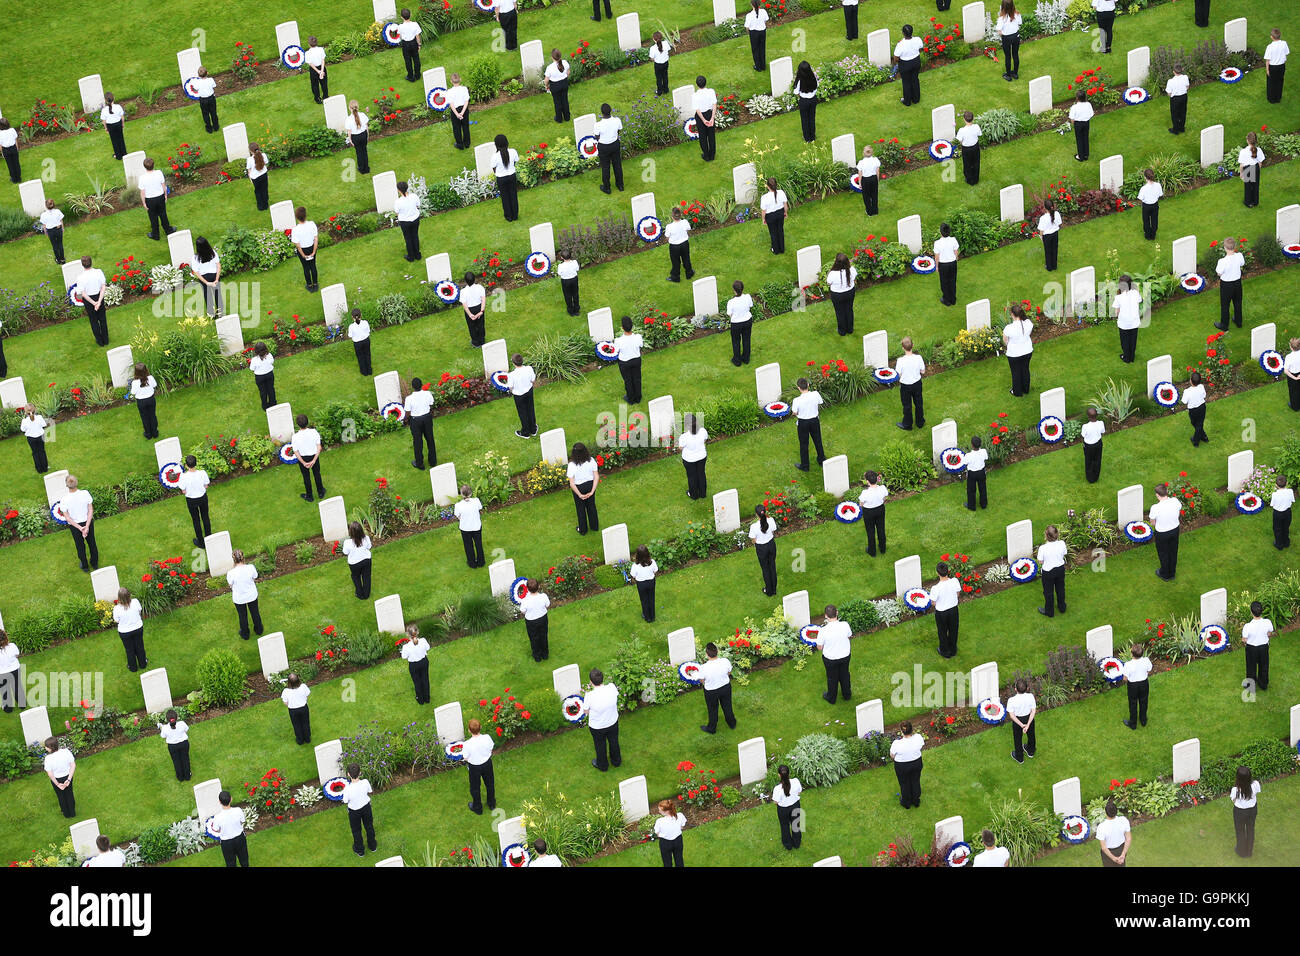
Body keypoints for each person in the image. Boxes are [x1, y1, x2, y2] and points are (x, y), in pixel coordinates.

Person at [56, 474, 98, 572]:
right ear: (77, 483)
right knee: (92, 543)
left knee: (80, 546)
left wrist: (80, 528)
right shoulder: (85, 493)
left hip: (75, 526)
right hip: (88, 522)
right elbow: (90, 510)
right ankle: (94, 563)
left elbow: (67, 517)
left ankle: (85, 566)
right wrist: (86, 526)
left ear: (66, 485)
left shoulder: (64, 500)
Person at [583, 668, 621, 771]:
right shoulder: (612, 687)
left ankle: (603, 765)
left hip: (597, 727)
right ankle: (616, 761)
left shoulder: (589, 696)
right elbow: (616, 697)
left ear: (591, 682)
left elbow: (586, 711)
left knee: (600, 745)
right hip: (612, 722)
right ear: (602, 679)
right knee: (614, 741)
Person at [815, 604, 852, 702]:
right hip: (845, 656)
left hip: (830, 659)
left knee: (832, 678)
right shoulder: (845, 625)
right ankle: (847, 695)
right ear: (837, 613)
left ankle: (831, 698)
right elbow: (849, 636)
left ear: (826, 616)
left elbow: (819, 647)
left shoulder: (823, 631)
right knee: (844, 675)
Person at [698, 642, 736, 734]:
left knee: (712, 709)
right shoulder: (725, 661)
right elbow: (729, 672)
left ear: (707, 654)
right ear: (717, 651)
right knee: (727, 706)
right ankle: (732, 723)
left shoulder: (703, 667)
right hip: (725, 688)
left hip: (711, 691)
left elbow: (702, 680)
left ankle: (712, 728)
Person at [176, 455, 213, 548]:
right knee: (205, 517)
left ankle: (201, 542)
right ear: (196, 463)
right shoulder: (202, 473)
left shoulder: (183, 477)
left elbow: (183, 490)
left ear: (186, 465)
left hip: (191, 500)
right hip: (202, 498)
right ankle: (209, 538)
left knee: (196, 520)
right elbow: (206, 485)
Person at [342, 762, 378, 856]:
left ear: (348, 774)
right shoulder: (365, 782)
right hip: (366, 807)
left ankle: (360, 850)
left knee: (356, 830)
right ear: (360, 773)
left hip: (354, 812)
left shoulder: (347, 789)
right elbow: (370, 791)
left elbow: (345, 801)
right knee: (369, 826)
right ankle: (372, 845)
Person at [792, 378, 826, 472]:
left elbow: (794, 412)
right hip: (814, 420)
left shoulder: (796, 400)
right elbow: (820, 402)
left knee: (804, 444)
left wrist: (797, 413)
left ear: (799, 388)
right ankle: (822, 460)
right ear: (808, 384)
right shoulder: (815, 394)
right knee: (818, 441)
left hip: (803, 423)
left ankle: (805, 466)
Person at [1149, 482, 1182, 582]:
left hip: (1162, 533)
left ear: (1157, 495)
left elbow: (1152, 522)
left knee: (1163, 553)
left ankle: (1165, 574)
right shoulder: (1175, 501)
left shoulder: (1155, 507)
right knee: (1173, 551)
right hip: (1175, 530)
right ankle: (1172, 572)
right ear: (1167, 492)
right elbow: (1178, 511)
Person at [227, 549, 262, 639]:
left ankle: (245, 634)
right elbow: (255, 577)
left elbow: (230, 585)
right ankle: (259, 630)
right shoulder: (251, 567)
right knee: (255, 613)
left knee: (242, 616)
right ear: (243, 558)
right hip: (252, 595)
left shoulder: (231, 573)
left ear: (234, 560)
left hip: (239, 598)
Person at [463, 717, 496, 814]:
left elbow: (465, 757)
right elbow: (491, 749)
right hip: (487, 764)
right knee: (490, 784)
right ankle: (491, 804)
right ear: (480, 727)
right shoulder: (487, 737)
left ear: (469, 730)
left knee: (475, 787)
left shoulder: (467, 744)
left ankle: (477, 808)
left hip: (474, 767)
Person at [111, 586, 147, 672]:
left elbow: (117, 620)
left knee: (129, 650)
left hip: (125, 632)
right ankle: (143, 664)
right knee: (140, 646)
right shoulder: (135, 602)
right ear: (129, 595)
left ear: (119, 598)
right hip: (138, 628)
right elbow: (139, 611)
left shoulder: (116, 609)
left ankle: (133, 667)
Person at [138, 158, 176, 241]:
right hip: (160, 197)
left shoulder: (142, 178)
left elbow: (142, 193)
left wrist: (144, 203)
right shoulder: (159, 173)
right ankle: (168, 231)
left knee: (153, 217)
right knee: (163, 214)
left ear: (144, 167)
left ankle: (155, 235)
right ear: (153, 165)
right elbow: (163, 186)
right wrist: (165, 195)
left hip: (150, 200)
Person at [292, 413, 326, 501]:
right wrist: (314, 460)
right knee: (317, 474)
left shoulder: (295, 437)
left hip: (303, 458)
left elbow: (296, 452)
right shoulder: (314, 432)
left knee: (306, 477)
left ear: (298, 424)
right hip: (314, 456)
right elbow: (319, 447)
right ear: (307, 422)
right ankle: (321, 492)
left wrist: (303, 463)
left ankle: (309, 496)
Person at [567, 442, 600, 535]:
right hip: (590, 485)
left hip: (579, 487)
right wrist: (592, 491)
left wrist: (579, 495)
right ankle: (594, 526)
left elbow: (572, 483)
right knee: (591, 506)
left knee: (580, 509)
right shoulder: (591, 460)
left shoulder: (571, 465)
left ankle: (583, 530)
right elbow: (596, 476)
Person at [404, 377, 436, 470]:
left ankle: (420, 464)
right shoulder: (427, 393)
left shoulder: (409, 398)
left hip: (415, 421)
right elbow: (431, 404)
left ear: (412, 387)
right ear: (422, 385)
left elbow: (408, 412)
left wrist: (405, 420)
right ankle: (433, 461)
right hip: (427, 418)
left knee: (417, 442)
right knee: (430, 439)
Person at [1214, 236, 1245, 330]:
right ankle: (1238, 322)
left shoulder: (1222, 261)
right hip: (1237, 283)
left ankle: (1224, 325)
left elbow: (1219, 273)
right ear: (1235, 246)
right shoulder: (1239, 256)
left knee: (1225, 305)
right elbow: (1242, 264)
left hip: (1226, 285)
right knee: (1238, 303)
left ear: (1225, 247)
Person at [890, 722, 923, 808]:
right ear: (912, 730)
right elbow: (920, 746)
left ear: (901, 731)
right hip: (916, 763)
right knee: (915, 781)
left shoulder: (897, 743)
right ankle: (916, 801)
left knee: (904, 783)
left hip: (902, 766)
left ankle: (906, 802)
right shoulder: (918, 738)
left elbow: (892, 755)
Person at [77, 255, 109, 345]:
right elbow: (103, 287)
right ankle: (106, 340)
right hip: (99, 297)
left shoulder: (80, 277)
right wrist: (98, 302)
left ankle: (100, 341)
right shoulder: (98, 272)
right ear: (91, 262)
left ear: (82, 264)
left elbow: (83, 293)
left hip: (89, 300)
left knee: (93, 321)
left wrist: (94, 303)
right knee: (102, 319)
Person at [1003, 303, 1034, 396]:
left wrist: (1009, 345)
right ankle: (1026, 389)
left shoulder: (1009, 328)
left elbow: (1005, 339)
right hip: (1027, 351)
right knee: (1025, 369)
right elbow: (1028, 333)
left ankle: (1017, 392)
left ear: (1012, 314)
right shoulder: (1028, 323)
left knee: (1016, 372)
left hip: (1014, 354)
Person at [895, 337, 926, 431]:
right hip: (917, 384)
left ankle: (908, 425)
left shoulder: (900, 360)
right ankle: (920, 423)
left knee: (907, 406)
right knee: (919, 403)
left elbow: (898, 374)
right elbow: (923, 371)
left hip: (905, 386)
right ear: (913, 345)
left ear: (903, 348)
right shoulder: (918, 357)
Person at [212, 790, 249, 867]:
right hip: (240, 839)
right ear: (231, 799)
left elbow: (216, 829)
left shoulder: (217, 817)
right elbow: (242, 821)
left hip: (227, 843)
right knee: (244, 860)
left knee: (230, 864)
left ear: (219, 802)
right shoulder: (238, 810)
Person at [1242, 600, 1273, 692]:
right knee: (1264, 666)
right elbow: (1269, 633)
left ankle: (1250, 687)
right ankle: (1263, 684)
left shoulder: (1247, 626)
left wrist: (1246, 641)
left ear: (1251, 612)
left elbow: (1244, 639)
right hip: (1264, 647)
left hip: (1251, 648)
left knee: (1251, 667)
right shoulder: (1267, 622)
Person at [1230, 767, 1261, 858]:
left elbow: (1233, 800)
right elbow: (1257, 791)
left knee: (1240, 831)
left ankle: (1241, 852)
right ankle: (1249, 852)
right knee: (1250, 829)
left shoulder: (1235, 790)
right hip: (1252, 810)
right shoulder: (1255, 784)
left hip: (1240, 812)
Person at [932, 562, 961, 658]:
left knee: (942, 631)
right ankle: (953, 650)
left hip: (941, 612)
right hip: (953, 610)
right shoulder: (955, 581)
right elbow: (957, 593)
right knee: (953, 630)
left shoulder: (935, 588)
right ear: (948, 571)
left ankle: (944, 651)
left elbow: (933, 602)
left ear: (937, 573)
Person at [750, 504, 779, 596]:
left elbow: (753, 540)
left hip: (762, 548)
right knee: (772, 566)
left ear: (756, 514)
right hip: (771, 545)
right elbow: (773, 531)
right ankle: (774, 589)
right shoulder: (771, 520)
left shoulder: (754, 526)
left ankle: (769, 591)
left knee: (766, 569)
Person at [1006, 677, 1037, 764]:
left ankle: (1019, 757)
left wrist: (1021, 725)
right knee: (1031, 735)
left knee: (1017, 738)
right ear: (1027, 688)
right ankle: (1031, 751)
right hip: (1029, 718)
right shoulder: (1030, 696)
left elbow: (1012, 715)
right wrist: (1027, 725)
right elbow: (1033, 711)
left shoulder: (1011, 700)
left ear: (1015, 689)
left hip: (1017, 721)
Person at [1121, 644, 1152, 730]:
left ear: (1132, 654)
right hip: (1144, 684)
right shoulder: (1146, 660)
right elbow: (1149, 670)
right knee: (1144, 701)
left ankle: (1133, 723)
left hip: (1133, 686)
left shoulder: (1128, 664)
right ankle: (1143, 720)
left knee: (1133, 703)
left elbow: (1125, 678)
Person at [594, 103, 623, 194]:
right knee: (617, 165)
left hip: (603, 146)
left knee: (605, 167)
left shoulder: (598, 124)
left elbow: (597, 136)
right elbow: (619, 131)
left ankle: (607, 188)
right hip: (615, 144)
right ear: (610, 111)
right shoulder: (617, 120)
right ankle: (620, 185)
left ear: (602, 113)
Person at [1113, 273, 1142, 363]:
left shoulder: (1118, 297)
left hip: (1124, 323)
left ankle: (1126, 357)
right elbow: (1139, 302)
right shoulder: (1136, 293)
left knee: (1125, 341)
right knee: (1133, 340)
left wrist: (1117, 316)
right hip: (1134, 321)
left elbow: (1116, 312)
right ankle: (1132, 357)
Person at [43, 738, 76, 818]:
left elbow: (50, 774)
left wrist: (57, 784)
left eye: (46, 746)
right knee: (69, 794)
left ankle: (66, 814)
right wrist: (69, 779)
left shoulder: (48, 759)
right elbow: (73, 765)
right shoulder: (66, 751)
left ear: (50, 747)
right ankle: (72, 813)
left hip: (57, 779)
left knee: (61, 796)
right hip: (68, 776)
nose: (45, 748)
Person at [773, 764, 803, 849]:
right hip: (795, 805)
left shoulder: (777, 789)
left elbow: (776, 802)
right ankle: (797, 843)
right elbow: (799, 792)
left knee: (784, 826)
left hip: (783, 810)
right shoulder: (796, 781)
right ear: (789, 773)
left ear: (779, 775)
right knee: (796, 824)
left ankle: (788, 845)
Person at [454, 484, 485, 568]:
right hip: (476, 527)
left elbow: (458, 516)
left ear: (461, 494)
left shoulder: (458, 505)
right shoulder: (476, 501)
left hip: (465, 528)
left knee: (468, 546)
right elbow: (479, 508)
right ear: (470, 493)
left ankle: (472, 563)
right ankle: (481, 562)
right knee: (478, 544)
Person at [520, 578, 551, 662]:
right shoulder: (543, 596)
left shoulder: (525, 600)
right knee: (543, 636)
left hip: (531, 621)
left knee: (534, 638)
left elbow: (523, 611)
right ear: (539, 586)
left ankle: (537, 656)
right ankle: (545, 654)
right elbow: (547, 605)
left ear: (527, 589)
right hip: (543, 618)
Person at [400, 622, 431, 705]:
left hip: (414, 666)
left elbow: (404, 657)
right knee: (425, 679)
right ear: (417, 632)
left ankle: (420, 700)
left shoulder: (406, 647)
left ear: (407, 634)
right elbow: (428, 648)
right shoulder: (423, 640)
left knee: (417, 682)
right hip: (424, 662)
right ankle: (427, 698)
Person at [491, 134, 520, 222]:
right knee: (513, 195)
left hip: (501, 178)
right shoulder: (513, 151)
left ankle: (508, 216)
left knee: (505, 197)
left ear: (496, 145)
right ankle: (515, 215)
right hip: (512, 176)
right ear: (507, 142)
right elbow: (515, 162)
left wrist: (499, 173)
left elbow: (494, 168)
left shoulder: (495, 156)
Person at [508, 353, 537, 439]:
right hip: (529, 391)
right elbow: (533, 380)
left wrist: (510, 391)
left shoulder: (511, 375)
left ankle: (525, 432)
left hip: (518, 395)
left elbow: (510, 387)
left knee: (523, 413)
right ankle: (533, 429)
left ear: (513, 363)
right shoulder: (529, 369)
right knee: (530, 409)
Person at [614, 315, 643, 403]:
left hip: (624, 362)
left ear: (622, 328)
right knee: (637, 378)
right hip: (636, 360)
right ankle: (638, 397)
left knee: (628, 380)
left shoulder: (618, 340)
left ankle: (631, 398)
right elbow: (641, 345)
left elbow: (616, 351)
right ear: (632, 326)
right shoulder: (638, 337)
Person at [827, 253, 857, 335]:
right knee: (849, 309)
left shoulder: (832, 273)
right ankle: (850, 329)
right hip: (850, 292)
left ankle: (842, 331)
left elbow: (829, 283)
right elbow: (854, 277)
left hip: (837, 295)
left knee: (840, 312)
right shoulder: (852, 270)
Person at [859, 470, 888, 556]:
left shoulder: (865, 493)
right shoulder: (882, 488)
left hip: (868, 512)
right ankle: (883, 548)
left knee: (870, 531)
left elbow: (861, 504)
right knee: (881, 529)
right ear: (877, 479)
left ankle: (872, 551)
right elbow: (885, 497)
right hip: (880, 509)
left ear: (867, 481)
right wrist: (880, 501)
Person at [680, 412, 708, 500]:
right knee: (701, 473)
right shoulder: (703, 431)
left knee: (692, 477)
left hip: (689, 459)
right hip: (702, 457)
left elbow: (680, 447)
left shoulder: (684, 437)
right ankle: (703, 494)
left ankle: (694, 495)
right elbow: (705, 439)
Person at [893, 24, 924, 106]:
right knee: (915, 79)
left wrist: (897, 63)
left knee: (906, 82)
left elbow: (896, 58)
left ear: (903, 33)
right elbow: (921, 49)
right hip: (916, 61)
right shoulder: (918, 39)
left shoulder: (900, 44)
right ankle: (916, 99)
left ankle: (907, 101)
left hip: (905, 64)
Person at [192, 235, 222, 316]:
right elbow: (218, 266)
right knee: (217, 294)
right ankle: (220, 313)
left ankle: (211, 314)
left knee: (208, 296)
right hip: (214, 275)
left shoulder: (195, 258)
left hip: (204, 278)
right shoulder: (213, 253)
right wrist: (216, 279)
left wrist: (206, 283)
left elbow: (196, 272)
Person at [128, 363, 159, 439]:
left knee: (145, 417)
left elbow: (133, 392)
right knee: (152, 415)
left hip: (141, 402)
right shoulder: (150, 378)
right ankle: (155, 433)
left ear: (136, 372)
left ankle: (148, 434)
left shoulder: (135, 382)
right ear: (146, 370)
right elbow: (155, 385)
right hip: (151, 400)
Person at [292, 205, 320, 292]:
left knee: (306, 267)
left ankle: (309, 285)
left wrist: (303, 255)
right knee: (313, 266)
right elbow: (315, 239)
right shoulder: (312, 224)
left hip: (302, 250)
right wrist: (314, 251)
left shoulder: (295, 229)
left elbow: (297, 244)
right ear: (305, 215)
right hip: (311, 247)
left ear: (297, 217)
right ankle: (315, 284)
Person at [726, 279, 753, 366]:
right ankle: (746, 358)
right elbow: (750, 306)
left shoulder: (731, 302)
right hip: (747, 321)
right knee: (746, 339)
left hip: (736, 324)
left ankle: (737, 361)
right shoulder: (748, 297)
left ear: (734, 290)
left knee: (736, 341)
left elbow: (729, 314)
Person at [342, 521, 372, 600]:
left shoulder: (347, 542)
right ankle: (366, 594)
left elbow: (345, 552)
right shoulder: (366, 538)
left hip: (354, 564)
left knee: (356, 577)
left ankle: (359, 594)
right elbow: (369, 547)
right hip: (366, 561)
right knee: (366, 577)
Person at [158, 708, 190, 781]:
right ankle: (187, 776)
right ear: (177, 717)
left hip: (172, 746)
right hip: (184, 744)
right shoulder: (182, 723)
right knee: (185, 759)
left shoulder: (165, 728)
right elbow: (187, 729)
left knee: (176, 761)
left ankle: (180, 777)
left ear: (167, 719)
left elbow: (163, 736)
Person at [653, 799, 687, 867]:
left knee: (667, 862)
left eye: (660, 810)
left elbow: (657, 833)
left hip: (665, 843)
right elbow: (682, 826)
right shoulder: (680, 815)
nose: (659, 811)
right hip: (678, 841)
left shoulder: (660, 821)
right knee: (679, 859)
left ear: (667, 811)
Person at [1096, 800, 1130, 866]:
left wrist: (1114, 858)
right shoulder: (1123, 820)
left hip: (1108, 853)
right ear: (1116, 811)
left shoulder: (1101, 827)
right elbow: (1128, 839)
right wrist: (1123, 854)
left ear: (1106, 813)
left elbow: (1104, 847)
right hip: (1121, 849)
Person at [760, 177, 789, 254]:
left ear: (767, 186)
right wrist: (785, 213)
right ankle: (782, 249)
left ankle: (775, 250)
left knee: (773, 232)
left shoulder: (764, 197)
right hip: (780, 214)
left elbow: (763, 211)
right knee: (780, 230)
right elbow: (785, 205)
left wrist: (763, 219)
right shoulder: (781, 192)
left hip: (770, 216)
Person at [665, 206, 694, 282]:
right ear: (681, 215)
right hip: (685, 244)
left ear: (672, 217)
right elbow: (688, 229)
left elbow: (667, 237)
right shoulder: (685, 222)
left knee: (675, 262)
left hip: (674, 246)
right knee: (686, 258)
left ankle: (675, 277)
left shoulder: (669, 227)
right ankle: (689, 273)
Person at [394, 180, 421, 262]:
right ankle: (418, 255)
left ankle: (411, 257)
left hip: (405, 222)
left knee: (408, 238)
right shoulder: (414, 196)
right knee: (415, 236)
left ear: (399, 190)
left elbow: (397, 212)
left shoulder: (398, 201)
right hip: (415, 219)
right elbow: (418, 205)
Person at [281, 673, 312, 744]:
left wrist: (292, 704)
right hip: (304, 708)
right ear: (298, 680)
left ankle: (300, 740)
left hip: (293, 710)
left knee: (296, 725)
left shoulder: (286, 691)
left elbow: (285, 703)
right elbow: (307, 694)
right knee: (305, 723)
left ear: (288, 682)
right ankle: (307, 739)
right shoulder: (303, 686)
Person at [630, 545, 658, 623]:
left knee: (644, 600)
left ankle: (647, 617)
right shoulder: (652, 562)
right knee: (651, 599)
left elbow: (633, 575)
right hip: (651, 582)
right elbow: (655, 571)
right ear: (647, 554)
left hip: (641, 584)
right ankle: (652, 616)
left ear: (637, 555)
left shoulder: (635, 566)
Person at [934, 222, 960, 306]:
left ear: (941, 232)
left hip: (943, 265)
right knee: (952, 281)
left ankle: (946, 300)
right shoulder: (953, 240)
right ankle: (953, 299)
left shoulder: (937, 243)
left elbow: (937, 256)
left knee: (944, 282)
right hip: (952, 263)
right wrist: (955, 259)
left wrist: (937, 267)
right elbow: (956, 251)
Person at [693, 76, 718, 161]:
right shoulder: (711, 91)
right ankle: (712, 155)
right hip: (709, 114)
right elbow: (714, 105)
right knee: (711, 135)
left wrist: (703, 120)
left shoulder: (695, 95)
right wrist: (712, 118)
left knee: (702, 136)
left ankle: (706, 155)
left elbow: (697, 109)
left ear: (697, 84)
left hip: (700, 117)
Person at [793, 61, 818, 141]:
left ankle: (807, 138)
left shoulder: (799, 80)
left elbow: (796, 92)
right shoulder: (813, 77)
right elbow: (816, 87)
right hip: (813, 100)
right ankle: (812, 136)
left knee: (804, 119)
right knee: (812, 118)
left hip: (804, 101)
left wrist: (802, 96)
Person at [20, 404, 49, 474]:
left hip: (31, 439)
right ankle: (45, 468)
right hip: (40, 436)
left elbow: (22, 429)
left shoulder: (24, 421)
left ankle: (39, 469)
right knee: (42, 451)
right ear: (35, 410)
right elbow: (44, 425)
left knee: (35, 453)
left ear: (25, 412)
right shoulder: (39, 417)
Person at [996, 2, 1022, 80]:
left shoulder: (1002, 18)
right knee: (1015, 54)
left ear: (1002, 7)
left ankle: (1008, 75)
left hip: (1006, 38)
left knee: (1008, 56)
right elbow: (1020, 23)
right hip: (1016, 36)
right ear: (1013, 5)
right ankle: (1015, 73)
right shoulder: (1017, 14)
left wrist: (1003, 36)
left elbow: (999, 31)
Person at [460, 272, 487, 346]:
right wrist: (481, 311)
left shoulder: (463, 291)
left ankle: (475, 342)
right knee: (480, 325)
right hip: (479, 308)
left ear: (465, 281)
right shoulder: (480, 287)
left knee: (472, 326)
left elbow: (464, 304)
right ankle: (482, 340)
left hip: (469, 310)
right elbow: (483, 300)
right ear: (474, 279)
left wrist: (470, 315)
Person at [544, 50, 572, 123]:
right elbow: (568, 72)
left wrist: (546, 86)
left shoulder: (550, 67)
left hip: (555, 86)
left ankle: (559, 119)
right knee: (565, 100)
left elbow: (546, 80)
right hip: (564, 83)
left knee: (557, 102)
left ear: (552, 57)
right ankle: (567, 117)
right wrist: (564, 79)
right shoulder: (565, 62)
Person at [1238, 132, 1264, 209]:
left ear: (1247, 140)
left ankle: (1248, 202)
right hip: (1255, 168)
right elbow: (1260, 163)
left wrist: (1241, 174)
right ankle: (1255, 201)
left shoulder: (1243, 151)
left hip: (1248, 169)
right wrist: (1257, 170)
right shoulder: (1258, 150)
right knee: (1255, 185)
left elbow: (1241, 165)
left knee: (1248, 186)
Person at [1183, 370, 1208, 447]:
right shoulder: (1201, 387)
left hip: (1193, 410)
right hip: (1202, 407)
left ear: (1191, 381)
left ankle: (1195, 441)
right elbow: (1204, 396)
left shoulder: (1187, 391)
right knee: (1199, 424)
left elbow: (1184, 401)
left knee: (1195, 424)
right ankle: (1204, 437)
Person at [249, 341, 277, 409]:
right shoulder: (269, 355)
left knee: (263, 391)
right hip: (269, 375)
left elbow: (252, 369)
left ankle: (265, 406)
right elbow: (272, 362)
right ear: (265, 349)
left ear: (256, 351)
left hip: (259, 377)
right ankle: (273, 403)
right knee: (271, 389)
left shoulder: (254, 360)